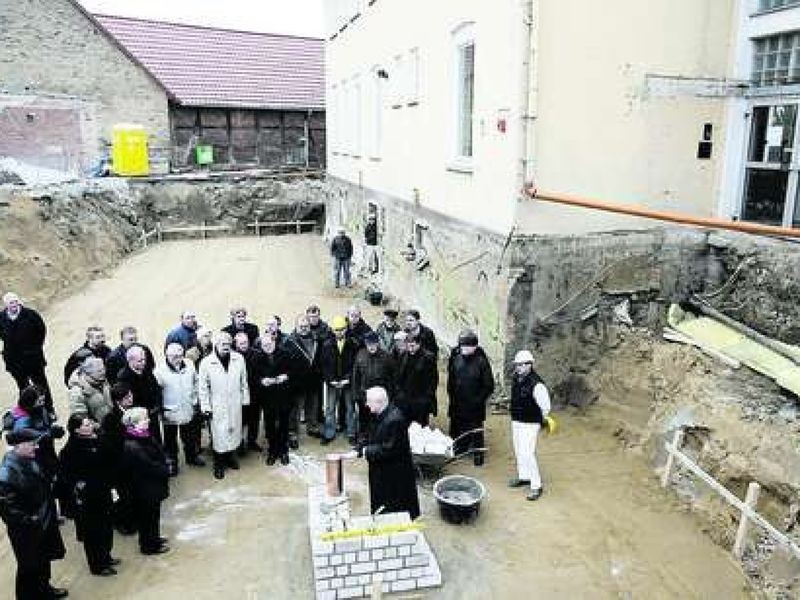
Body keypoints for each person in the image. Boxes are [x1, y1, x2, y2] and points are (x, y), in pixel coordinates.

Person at [0, 428, 68, 599]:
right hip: (27, 530)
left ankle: (44, 589)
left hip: (42, 522)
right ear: (18, 446)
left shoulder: (29, 459)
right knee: (29, 568)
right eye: (31, 444)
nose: (35, 448)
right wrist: (32, 519)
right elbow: (8, 510)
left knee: (43, 562)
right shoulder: (7, 474)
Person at [58, 415, 118, 576]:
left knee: (106, 528)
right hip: (88, 500)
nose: (91, 425)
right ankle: (97, 565)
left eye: (90, 422)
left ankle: (106, 556)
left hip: (103, 492)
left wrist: (99, 438)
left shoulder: (97, 439)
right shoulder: (70, 450)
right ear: (77, 430)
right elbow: (66, 477)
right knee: (93, 534)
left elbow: (111, 455)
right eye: (86, 424)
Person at [360, 387, 420, 520]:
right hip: (383, 472)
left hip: (394, 476)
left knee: (393, 507)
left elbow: (388, 449)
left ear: (379, 402)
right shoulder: (379, 414)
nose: (366, 404)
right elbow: (370, 433)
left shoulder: (395, 420)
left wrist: (366, 451)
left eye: (369, 401)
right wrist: (359, 448)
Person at [198, 332, 249, 480]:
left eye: (228, 344)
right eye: (222, 344)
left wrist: (245, 401)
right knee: (219, 435)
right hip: (217, 404)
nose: (226, 346)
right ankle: (219, 464)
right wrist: (206, 407)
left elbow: (243, 381)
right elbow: (202, 388)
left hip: (235, 402)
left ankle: (231, 457)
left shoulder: (238, 359)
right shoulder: (206, 362)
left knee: (234, 431)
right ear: (216, 344)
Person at [118, 408, 170, 554]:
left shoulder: (144, 436)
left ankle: (154, 538)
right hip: (144, 488)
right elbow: (148, 465)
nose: (148, 420)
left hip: (150, 486)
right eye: (144, 419)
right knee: (147, 518)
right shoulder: (132, 445)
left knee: (153, 515)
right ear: (133, 425)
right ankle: (149, 545)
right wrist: (164, 470)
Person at [446, 329, 495, 466]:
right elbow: (452, 379)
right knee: (458, 426)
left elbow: (488, 386)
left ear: (474, 347)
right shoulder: (456, 359)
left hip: (474, 404)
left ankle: (478, 454)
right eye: (461, 346)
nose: (463, 349)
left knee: (476, 430)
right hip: (458, 401)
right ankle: (460, 448)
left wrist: (478, 401)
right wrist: (452, 396)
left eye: (466, 346)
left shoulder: (481, 363)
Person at [508, 350, 551, 501]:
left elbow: (545, 406)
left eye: (521, 365)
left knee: (528, 452)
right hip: (517, 420)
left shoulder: (537, 384)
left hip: (531, 423)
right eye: (517, 365)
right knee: (518, 449)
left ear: (529, 365)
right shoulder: (516, 378)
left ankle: (536, 485)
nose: (518, 367)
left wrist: (542, 420)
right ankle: (524, 476)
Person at [154, 343, 204, 475]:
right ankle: (173, 462)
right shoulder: (159, 371)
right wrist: (161, 410)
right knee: (170, 441)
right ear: (167, 355)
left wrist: (195, 399)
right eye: (174, 356)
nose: (178, 358)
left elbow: (196, 381)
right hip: (169, 412)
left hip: (187, 409)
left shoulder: (189, 364)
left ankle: (191, 457)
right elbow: (156, 392)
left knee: (189, 437)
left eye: (180, 355)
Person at [0, 292, 54, 414]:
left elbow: (41, 331)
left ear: (18, 302)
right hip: (14, 361)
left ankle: (49, 410)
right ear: (6, 305)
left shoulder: (31, 315)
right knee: (23, 387)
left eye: (15, 302)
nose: (13, 305)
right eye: (10, 303)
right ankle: (30, 412)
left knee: (41, 385)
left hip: (33, 359)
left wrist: (35, 347)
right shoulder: (1, 317)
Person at [248, 333, 293, 465]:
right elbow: (252, 377)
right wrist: (262, 381)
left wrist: (286, 376)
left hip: (283, 395)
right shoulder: (256, 357)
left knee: (284, 425)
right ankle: (272, 451)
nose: (266, 347)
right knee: (270, 426)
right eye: (264, 345)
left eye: (269, 345)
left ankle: (284, 451)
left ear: (274, 342)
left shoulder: (285, 353)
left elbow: (294, 371)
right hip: (267, 397)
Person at [100, 384, 135, 535]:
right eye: (126, 397)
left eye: (130, 395)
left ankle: (131, 519)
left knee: (132, 492)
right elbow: (111, 445)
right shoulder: (111, 419)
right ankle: (122, 522)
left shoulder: (133, 411)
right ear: (118, 401)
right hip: (119, 464)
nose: (130, 399)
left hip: (132, 460)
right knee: (122, 495)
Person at [320, 316, 359, 445]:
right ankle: (329, 433)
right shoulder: (326, 344)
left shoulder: (352, 344)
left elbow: (355, 364)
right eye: (337, 330)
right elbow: (324, 365)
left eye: (342, 329)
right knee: (330, 408)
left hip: (347, 382)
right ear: (332, 330)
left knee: (350, 408)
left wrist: (348, 379)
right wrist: (330, 380)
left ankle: (351, 433)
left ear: (346, 329)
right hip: (333, 383)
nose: (339, 332)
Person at [352, 331, 396, 444]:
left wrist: (389, 396)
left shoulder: (387, 357)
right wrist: (356, 394)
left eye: (374, 343)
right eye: (369, 344)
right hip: (364, 394)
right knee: (363, 418)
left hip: (380, 397)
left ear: (378, 343)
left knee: (379, 419)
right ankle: (363, 438)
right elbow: (355, 376)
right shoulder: (360, 355)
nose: (371, 346)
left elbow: (392, 379)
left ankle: (378, 439)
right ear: (366, 344)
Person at [285, 315, 323, 444]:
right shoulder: (289, 341)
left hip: (313, 380)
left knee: (312, 406)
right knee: (295, 409)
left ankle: (312, 427)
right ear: (296, 326)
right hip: (297, 382)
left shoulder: (317, 338)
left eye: (306, 326)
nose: (304, 328)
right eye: (301, 326)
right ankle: (292, 433)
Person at [117, 346, 163, 442]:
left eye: (144, 359)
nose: (144, 363)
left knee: (156, 442)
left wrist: (157, 405)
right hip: (138, 420)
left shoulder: (147, 371)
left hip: (152, 414)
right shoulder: (124, 377)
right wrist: (144, 413)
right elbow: (128, 401)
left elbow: (156, 389)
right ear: (130, 361)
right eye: (140, 361)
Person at [395, 333, 438, 427]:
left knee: (420, 428)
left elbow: (433, 380)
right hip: (405, 400)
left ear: (419, 344)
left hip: (420, 400)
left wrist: (426, 399)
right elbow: (399, 377)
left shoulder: (428, 358)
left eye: (413, 345)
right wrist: (399, 394)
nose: (410, 347)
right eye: (408, 344)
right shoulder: (403, 356)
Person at [67, 357, 113, 423]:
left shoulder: (101, 380)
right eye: (99, 371)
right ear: (88, 373)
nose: (103, 372)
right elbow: (81, 419)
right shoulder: (77, 393)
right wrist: (98, 427)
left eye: (103, 369)